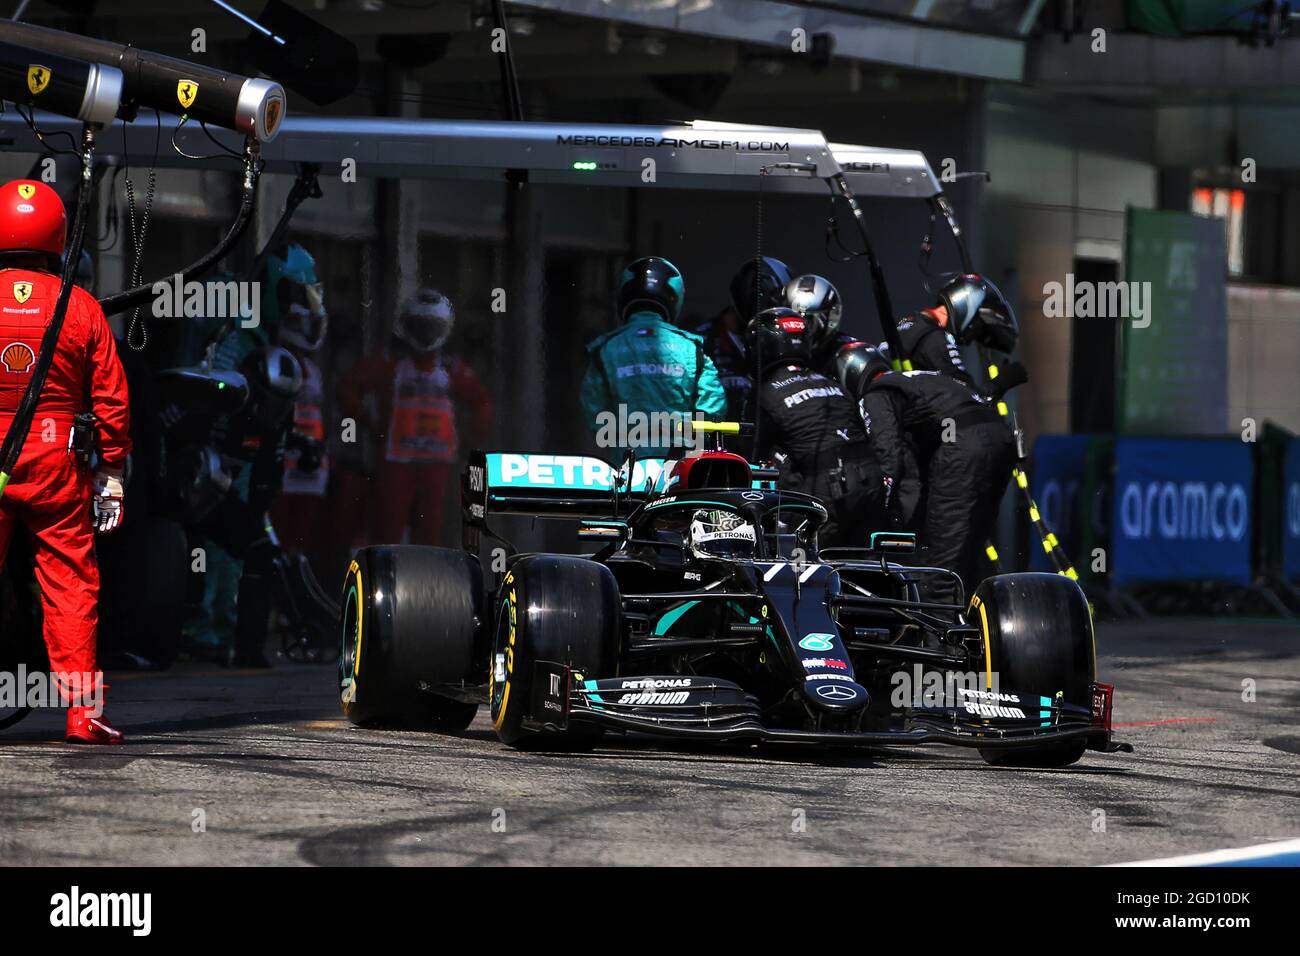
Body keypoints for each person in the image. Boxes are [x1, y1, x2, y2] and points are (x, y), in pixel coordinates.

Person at [0, 179, 129, 744]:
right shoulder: (80, 306)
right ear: (59, 236)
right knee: (71, 583)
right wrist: (113, 471)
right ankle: (82, 714)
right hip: (58, 465)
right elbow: (111, 399)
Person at [838, 343, 1016, 608]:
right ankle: (983, 617)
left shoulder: (876, 392)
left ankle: (938, 626)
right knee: (970, 548)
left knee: (939, 558)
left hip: (962, 445)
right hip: (1000, 439)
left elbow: (889, 455)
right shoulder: (919, 378)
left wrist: (882, 510)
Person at [339, 287, 493, 546]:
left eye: (432, 327)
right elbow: (347, 389)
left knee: (429, 536)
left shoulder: (449, 367)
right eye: (420, 326)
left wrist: (469, 441)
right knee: (388, 533)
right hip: (396, 462)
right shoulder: (391, 362)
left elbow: (482, 402)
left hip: (436, 465)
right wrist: (370, 423)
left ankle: (423, 573)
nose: (426, 334)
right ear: (408, 325)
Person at [748, 307, 885, 548]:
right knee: (865, 562)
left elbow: (757, 457)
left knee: (806, 563)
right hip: (872, 482)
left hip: (826, 491)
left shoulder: (764, 393)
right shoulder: (832, 383)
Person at [580, 256, 725, 461]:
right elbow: (713, 408)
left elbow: (594, 412)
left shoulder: (605, 349)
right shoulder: (691, 348)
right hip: (679, 468)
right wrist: (683, 433)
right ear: (674, 296)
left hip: (626, 467)